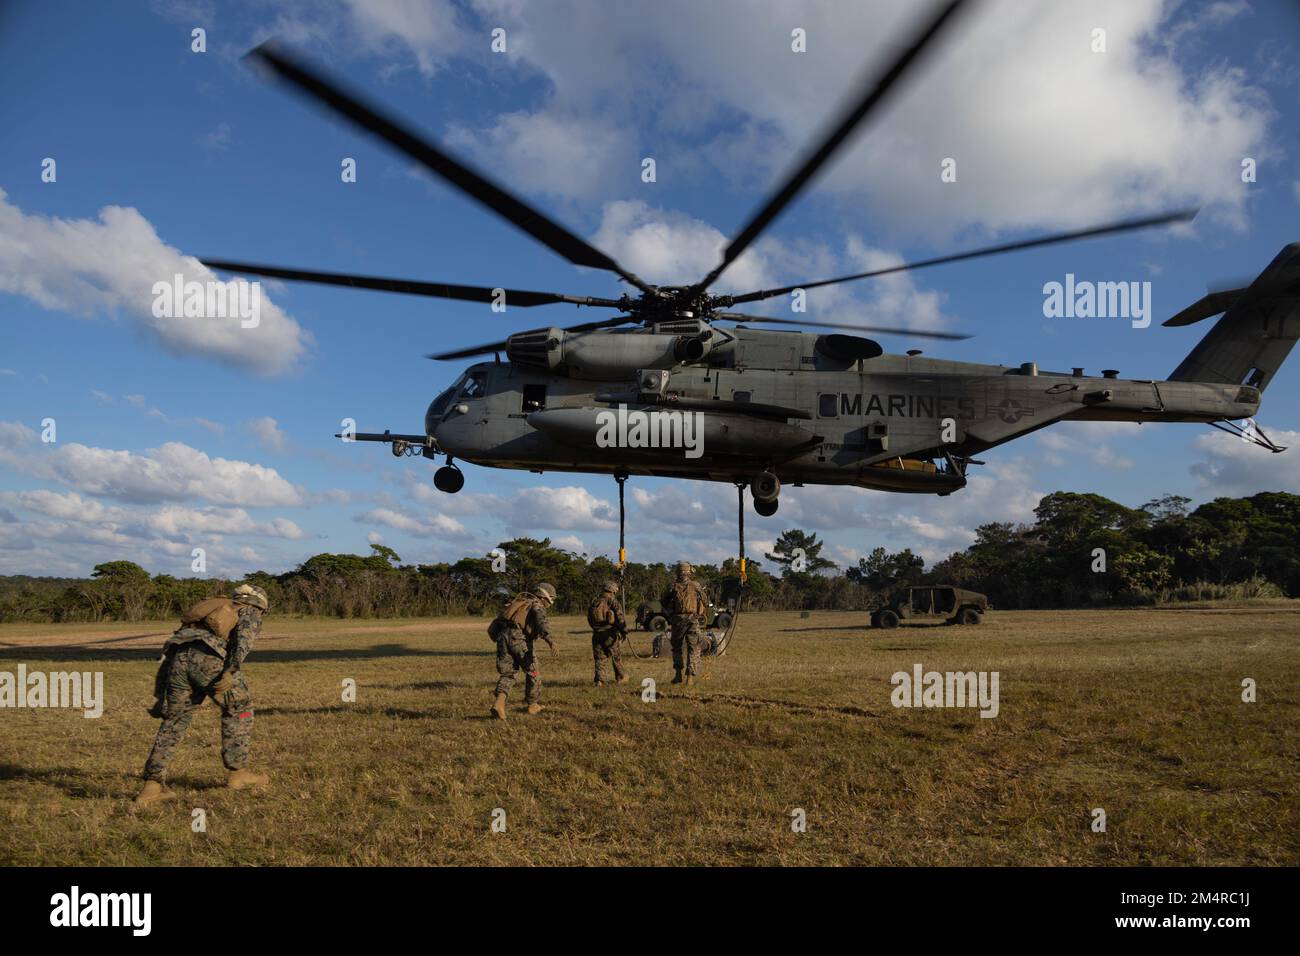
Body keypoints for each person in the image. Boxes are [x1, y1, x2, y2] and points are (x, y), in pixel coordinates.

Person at [135, 584, 270, 806]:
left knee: (175, 720)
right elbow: (243, 641)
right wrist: (231, 670)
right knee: (240, 709)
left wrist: (160, 696)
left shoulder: (214, 607)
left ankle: (152, 785)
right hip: (210, 660)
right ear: (260, 603)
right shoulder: (249, 609)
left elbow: (176, 643)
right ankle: (239, 773)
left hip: (178, 659)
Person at [489, 583, 556, 719]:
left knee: (508, 674)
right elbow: (541, 622)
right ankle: (533, 705)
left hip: (503, 638)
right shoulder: (536, 605)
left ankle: (499, 704)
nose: (551, 603)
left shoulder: (518, 603)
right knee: (533, 671)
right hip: (520, 639)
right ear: (544, 597)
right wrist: (550, 640)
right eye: (551, 599)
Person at [660, 562, 709, 686]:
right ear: (689, 572)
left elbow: (663, 601)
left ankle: (677, 675)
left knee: (676, 648)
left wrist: (671, 613)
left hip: (677, 620)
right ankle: (690, 678)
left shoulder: (673, 586)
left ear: (677, 572)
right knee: (693, 648)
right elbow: (706, 601)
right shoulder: (696, 585)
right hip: (693, 620)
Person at [588, 580, 627, 686]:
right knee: (616, 656)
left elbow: (589, 619)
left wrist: (596, 628)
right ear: (612, 591)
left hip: (596, 634)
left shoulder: (595, 601)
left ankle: (599, 680)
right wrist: (624, 631)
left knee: (599, 659)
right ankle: (620, 677)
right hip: (609, 633)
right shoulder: (612, 601)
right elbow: (619, 617)